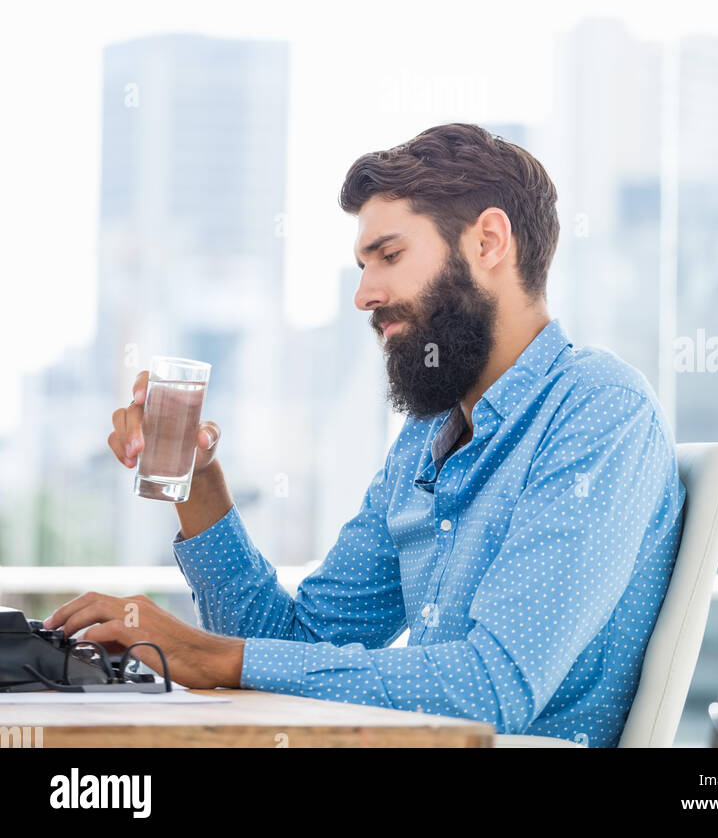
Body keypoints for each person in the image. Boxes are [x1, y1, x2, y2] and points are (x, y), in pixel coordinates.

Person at [45, 122, 685, 746]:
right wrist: (198, 484)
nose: (364, 293)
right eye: (362, 264)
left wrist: (215, 656)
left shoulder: (600, 410)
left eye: (390, 255)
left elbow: (495, 688)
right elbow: (298, 647)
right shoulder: (427, 437)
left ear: (489, 242)